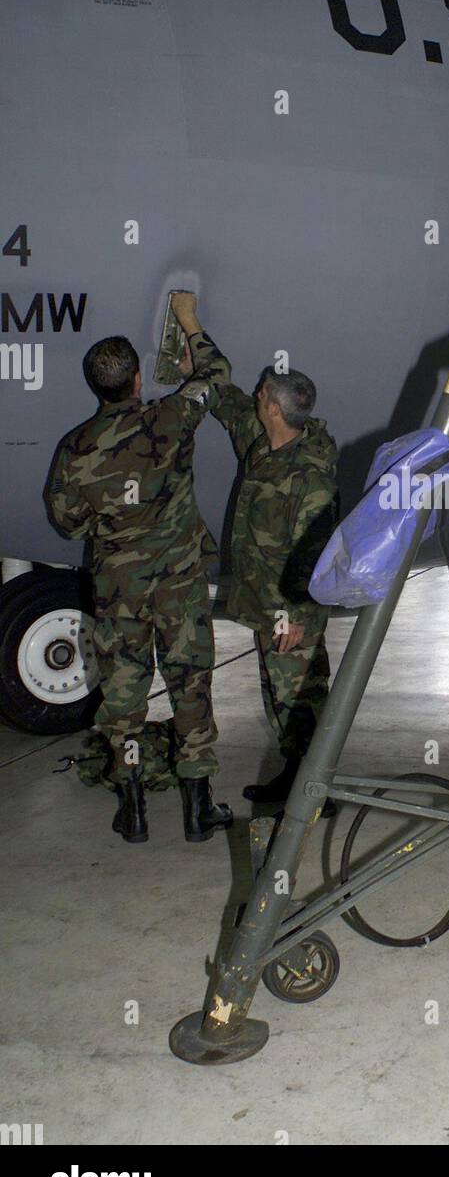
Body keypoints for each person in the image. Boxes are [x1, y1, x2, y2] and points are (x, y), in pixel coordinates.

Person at [45, 292, 233, 845]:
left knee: (124, 698)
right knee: (190, 688)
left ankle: (132, 810)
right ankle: (198, 809)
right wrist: (190, 321)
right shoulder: (170, 417)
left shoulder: (75, 448)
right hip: (179, 586)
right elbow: (216, 376)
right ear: (134, 382)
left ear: (97, 387)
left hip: (117, 592)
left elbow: (69, 524)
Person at [210, 366, 338, 809]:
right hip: (265, 602)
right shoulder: (265, 442)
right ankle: (297, 780)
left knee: (299, 698)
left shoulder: (310, 476)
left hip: (290, 610)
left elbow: (314, 552)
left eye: (261, 393)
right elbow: (226, 403)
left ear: (276, 408)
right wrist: (192, 334)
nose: (255, 395)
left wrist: (297, 618)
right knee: (283, 697)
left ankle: (315, 794)